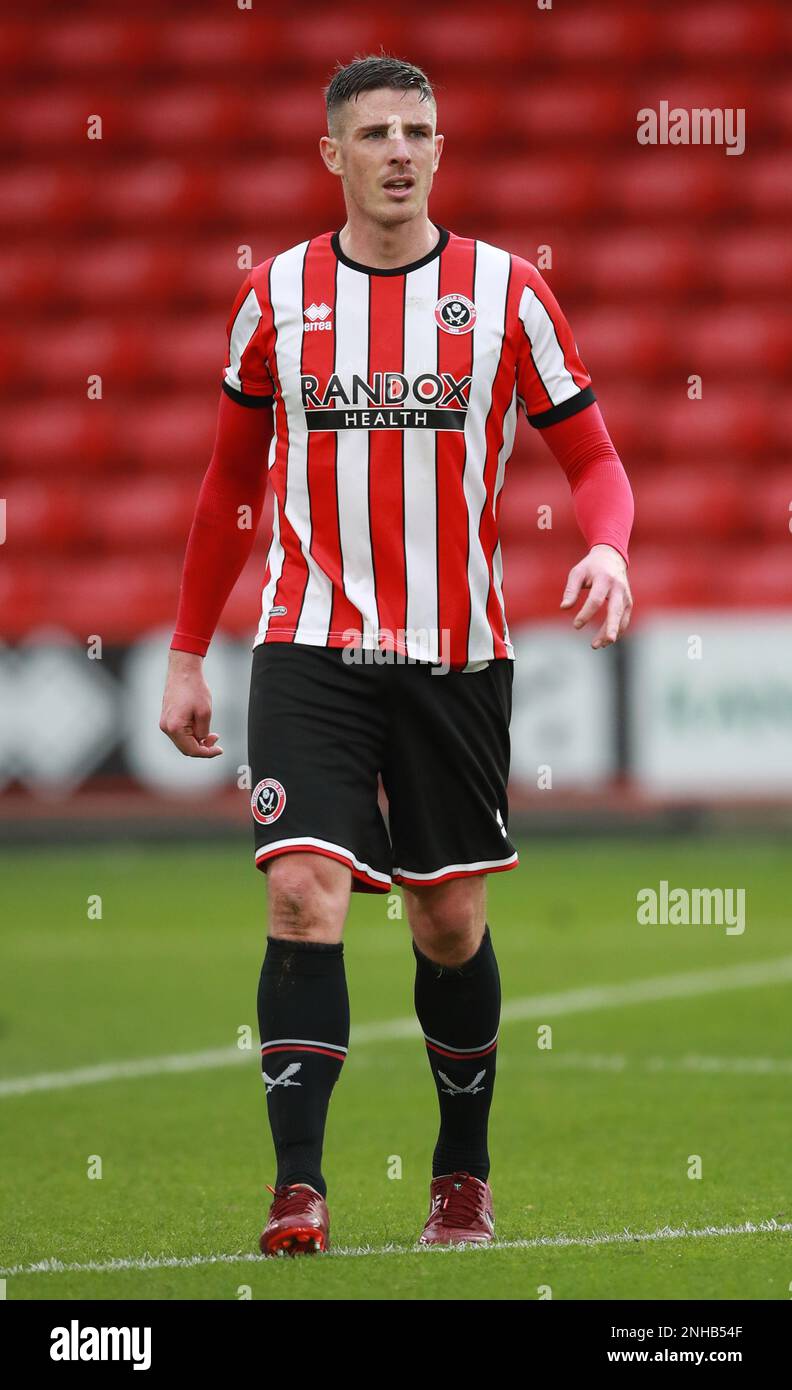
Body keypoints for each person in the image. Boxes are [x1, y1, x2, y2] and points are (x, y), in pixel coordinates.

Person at [160, 53, 634, 1255]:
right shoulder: (273, 294)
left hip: (454, 654)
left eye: (419, 129)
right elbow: (227, 486)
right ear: (333, 153)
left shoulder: (510, 292)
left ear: (441, 146)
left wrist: (612, 550)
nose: (400, 151)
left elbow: (593, 460)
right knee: (302, 892)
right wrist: (182, 650)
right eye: (374, 132)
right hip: (309, 642)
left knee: (448, 926)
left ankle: (460, 1177)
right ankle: (299, 1189)